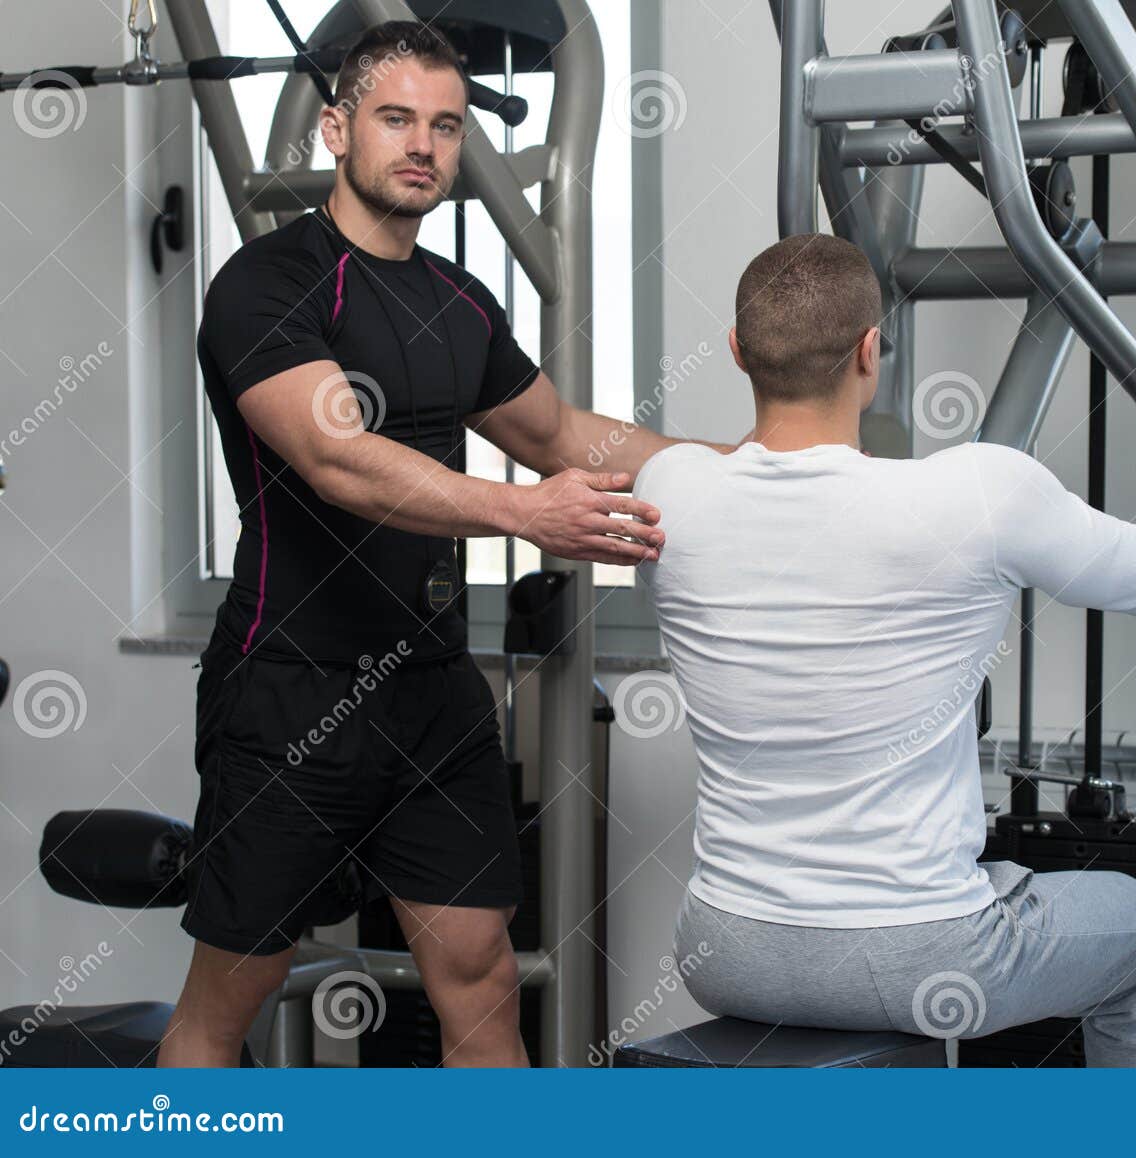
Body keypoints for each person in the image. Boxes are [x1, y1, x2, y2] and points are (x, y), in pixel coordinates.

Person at [162, 21, 723, 1068]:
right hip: (290, 690)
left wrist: (733, 463)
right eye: (395, 120)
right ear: (337, 129)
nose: (422, 145)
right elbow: (340, 459)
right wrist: (523, 514)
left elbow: (563, 435)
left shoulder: (458, 302)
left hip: (429, 692)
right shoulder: (269, 283)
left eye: (445, 127)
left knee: (483, 978)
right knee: (223, 1008)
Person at [635, 233, 1136, 1067]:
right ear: (871, 351)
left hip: (722, 951)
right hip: (916, 955)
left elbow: (760, 486)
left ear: (735, 352)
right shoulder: (977, 491)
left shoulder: (669, 489)